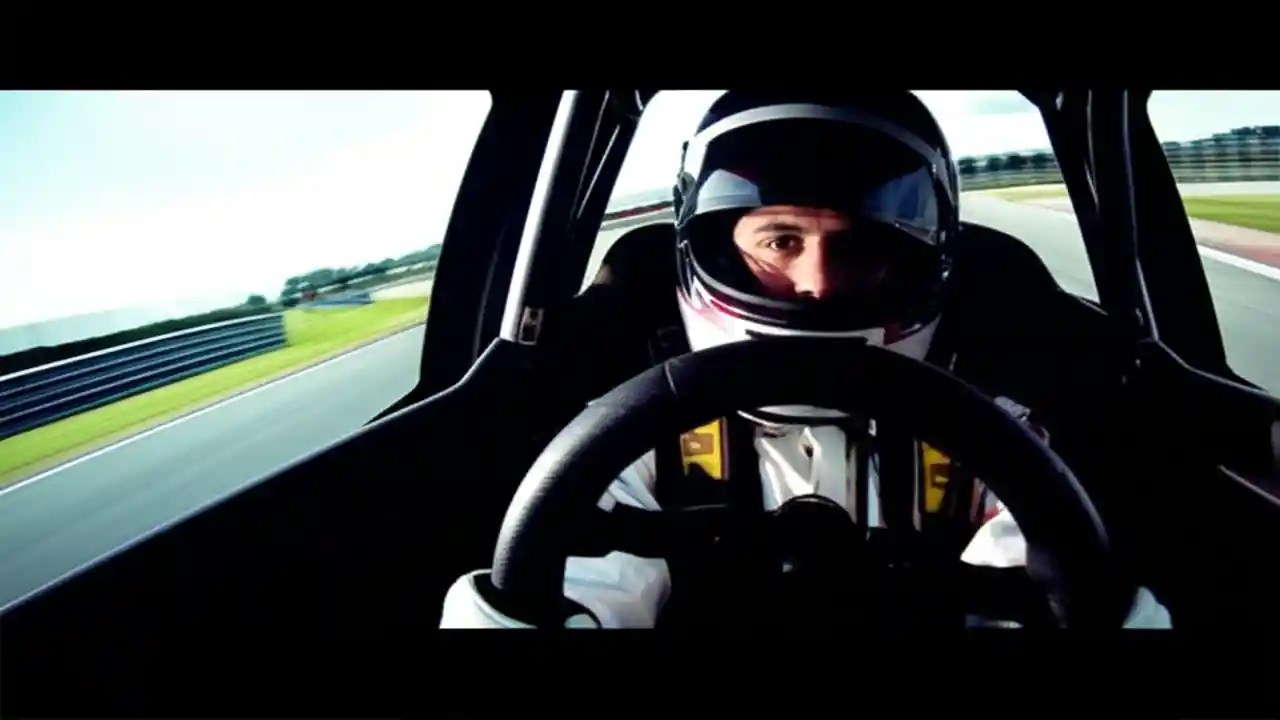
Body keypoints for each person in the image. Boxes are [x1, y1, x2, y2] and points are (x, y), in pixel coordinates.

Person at [439, 91, 1172, 629]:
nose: (817, 283)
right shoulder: (629, 443)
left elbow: (1046, 588)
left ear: (919, 257)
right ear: (717, 243)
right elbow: (582, 591)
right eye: (780, 241)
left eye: (857, 245)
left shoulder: (999, 440)